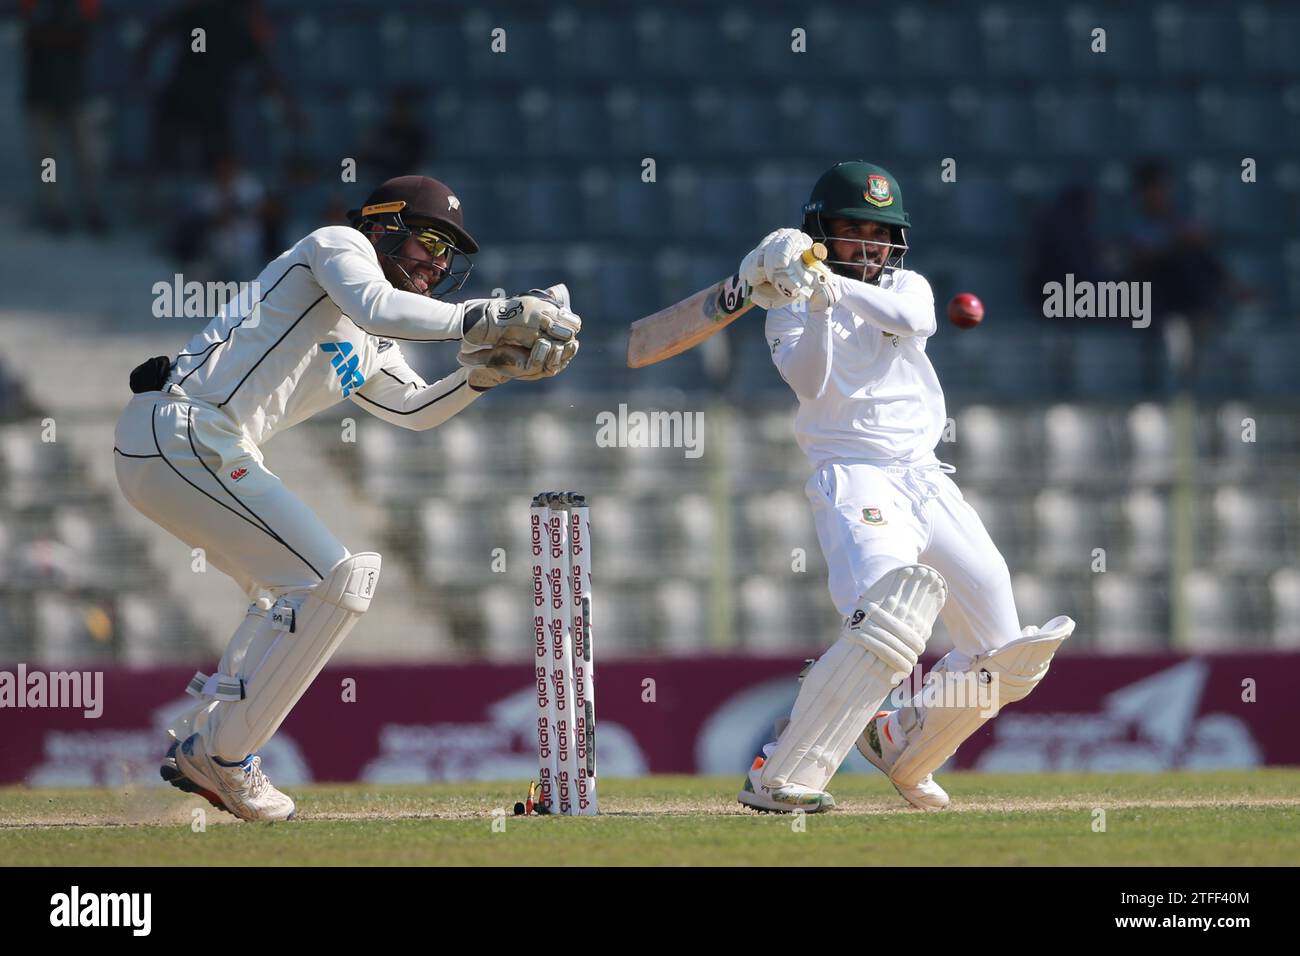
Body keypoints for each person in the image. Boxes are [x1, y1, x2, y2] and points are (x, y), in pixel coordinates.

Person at [113, 175, 581, 821]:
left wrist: (482, 375)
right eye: (427, 241)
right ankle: (221, 757)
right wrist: (488, 316)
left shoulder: (372, 340)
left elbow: (413, 409)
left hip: (198, 450)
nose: (438, 262)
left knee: (285, 594)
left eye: (448, 252)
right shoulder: (335, 245)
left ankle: (210, 735)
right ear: (382, 225)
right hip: (184, 428)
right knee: (339, 577)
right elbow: (379, 307)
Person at [735, 161, 1074, 813]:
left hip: (926, 478)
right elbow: (810, 383)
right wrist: (810, 296)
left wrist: (826, 279)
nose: (869, 243)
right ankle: (778, 769)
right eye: (852, 228)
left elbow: (914, 319)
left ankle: (901, 743)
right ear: (821, 230)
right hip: (853, 474)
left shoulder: (907, 286)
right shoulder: (786, 309)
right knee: (888, 622)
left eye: (880, 231)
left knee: (1007, 653)